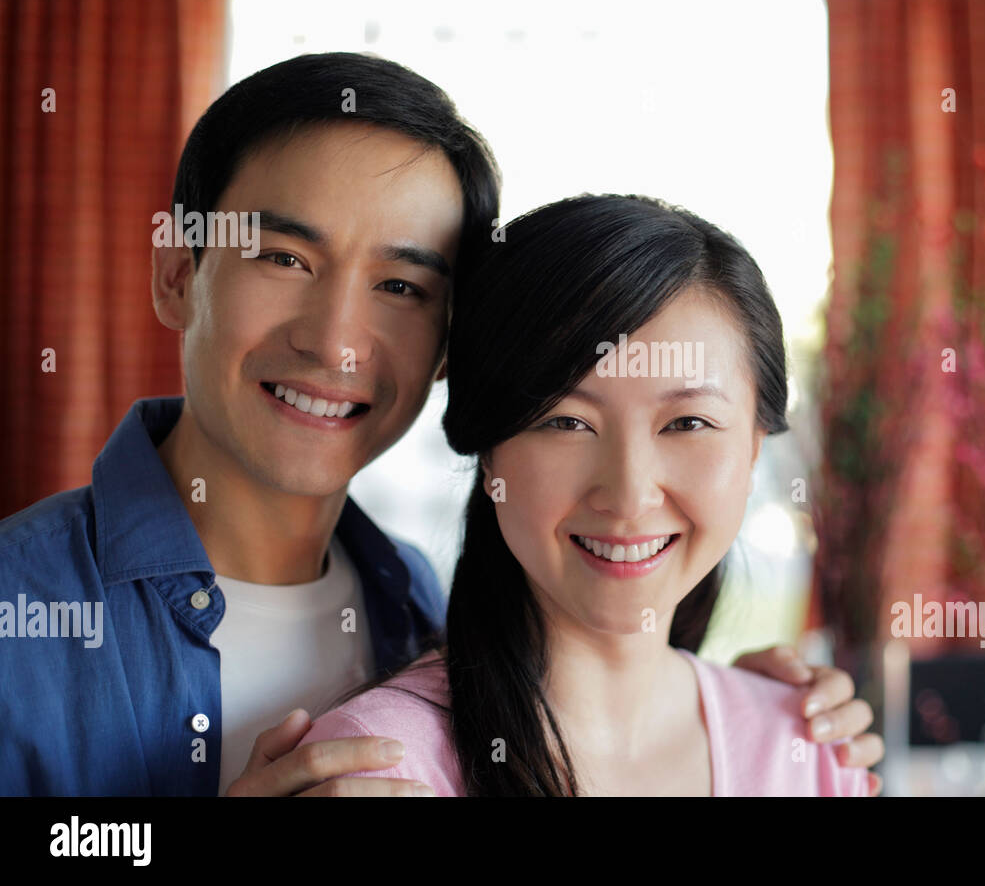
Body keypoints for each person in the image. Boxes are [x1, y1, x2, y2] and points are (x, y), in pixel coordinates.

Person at [0, 54, 881, 796]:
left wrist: (747, 709)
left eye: (401, 287)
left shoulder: (408, 598)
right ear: (177, 275)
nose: (338, 343)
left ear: (452, 347)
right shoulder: (21, 610)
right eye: (283, 258)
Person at [302, 194, 871, 795]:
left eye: (687, 424)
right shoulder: (378, 770)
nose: (629, 496)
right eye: (566, 423)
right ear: (489, 449)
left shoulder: (812, 751)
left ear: (755, 446)